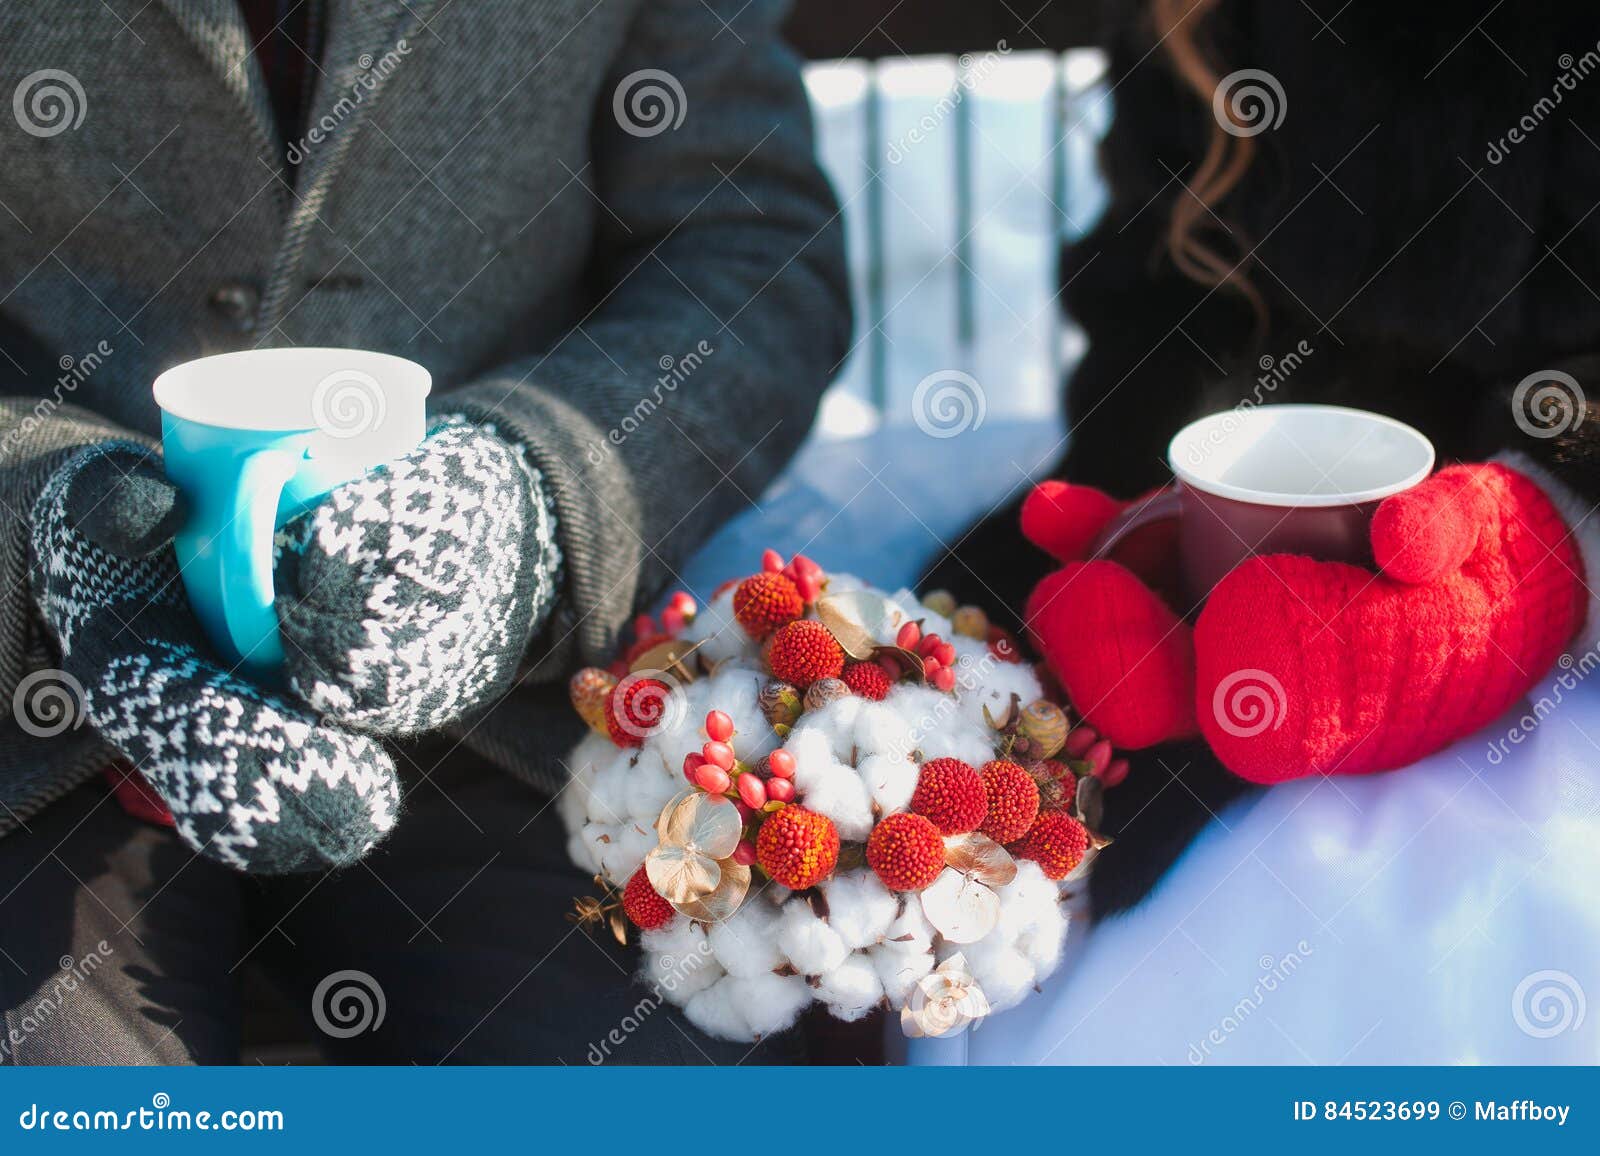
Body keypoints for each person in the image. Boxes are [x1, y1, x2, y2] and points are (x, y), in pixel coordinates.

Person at [0, 0, 848, 1063]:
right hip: (38, 728)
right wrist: (46, 530)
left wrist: (540, 496)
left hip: (499, 725)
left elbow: (746, 250)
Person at [923, 0, 1600, 913]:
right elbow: (1162, 302)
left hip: (1543, 613)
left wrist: (1541, 543)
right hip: (1255, 543)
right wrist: (1152, 512)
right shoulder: (1206, 25)